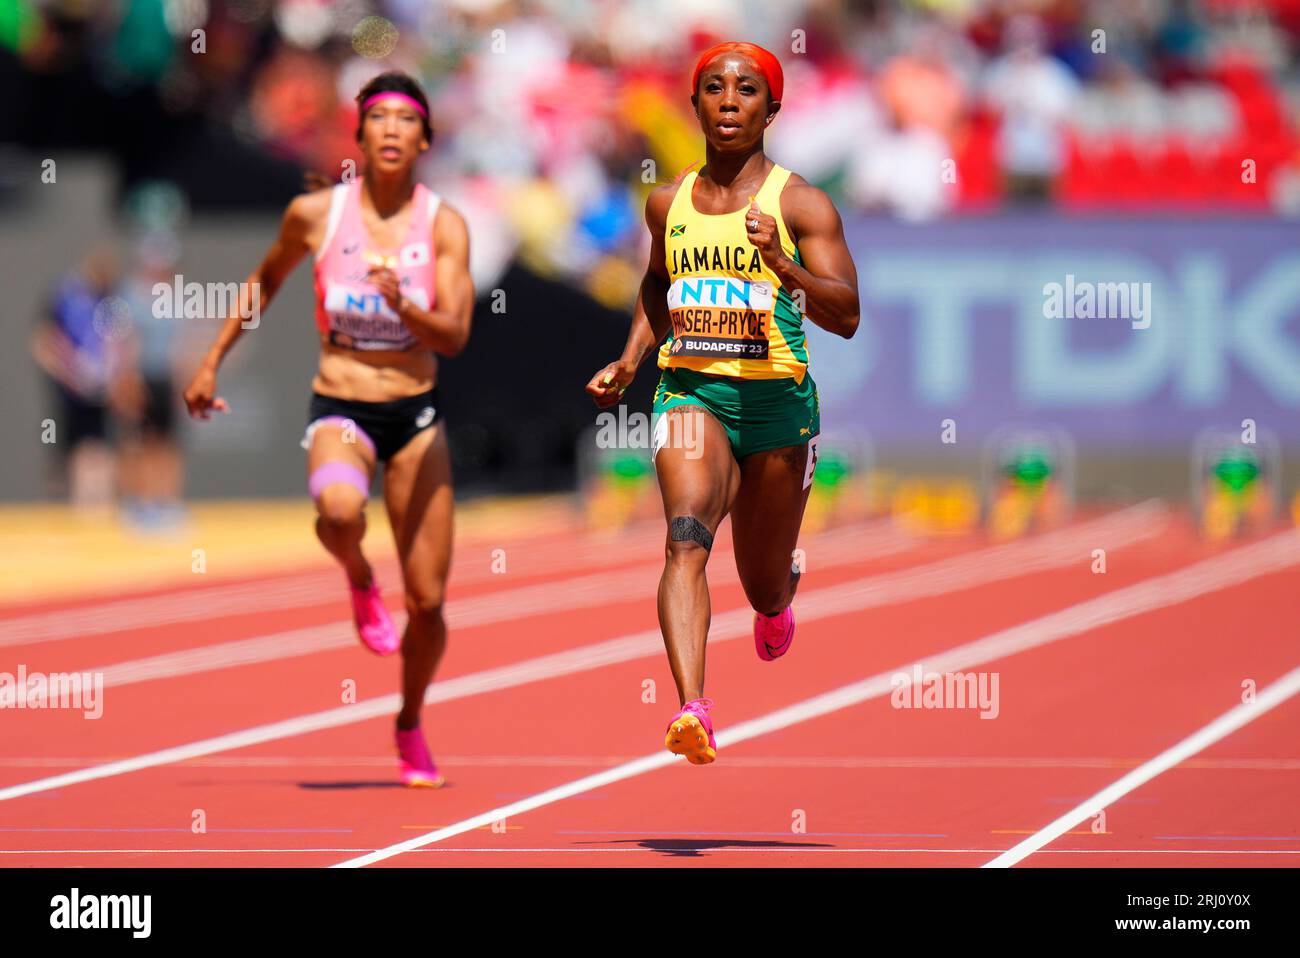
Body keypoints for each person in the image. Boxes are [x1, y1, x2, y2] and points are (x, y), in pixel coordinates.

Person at [183, 72, 474, 787]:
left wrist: (404, 305)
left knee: (431, 603)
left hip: (416, 415)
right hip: (340, 404)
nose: (393, 129)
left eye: (408, 119)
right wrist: (212, 360)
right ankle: (358, 576)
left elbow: (456, 335)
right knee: (340, 513)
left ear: (426, 139)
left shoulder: (443, 224)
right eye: (379, 117)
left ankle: (409, 723)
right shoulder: (316, 214)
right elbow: (264, 282)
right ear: (361, 135)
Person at [586, 42, 860, 764]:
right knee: (684, 538)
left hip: (777, 409)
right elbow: (657, 284)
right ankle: (693, 710)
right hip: (691, 390)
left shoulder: (800, 203)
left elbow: (847, 313)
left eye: (746, 90)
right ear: (696, 105)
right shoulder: (666, 203)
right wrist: (631, 357)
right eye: (714, 88)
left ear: (773, 108)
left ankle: (778, 599)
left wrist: (783, 264)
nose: (730, 101)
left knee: (760, 582)